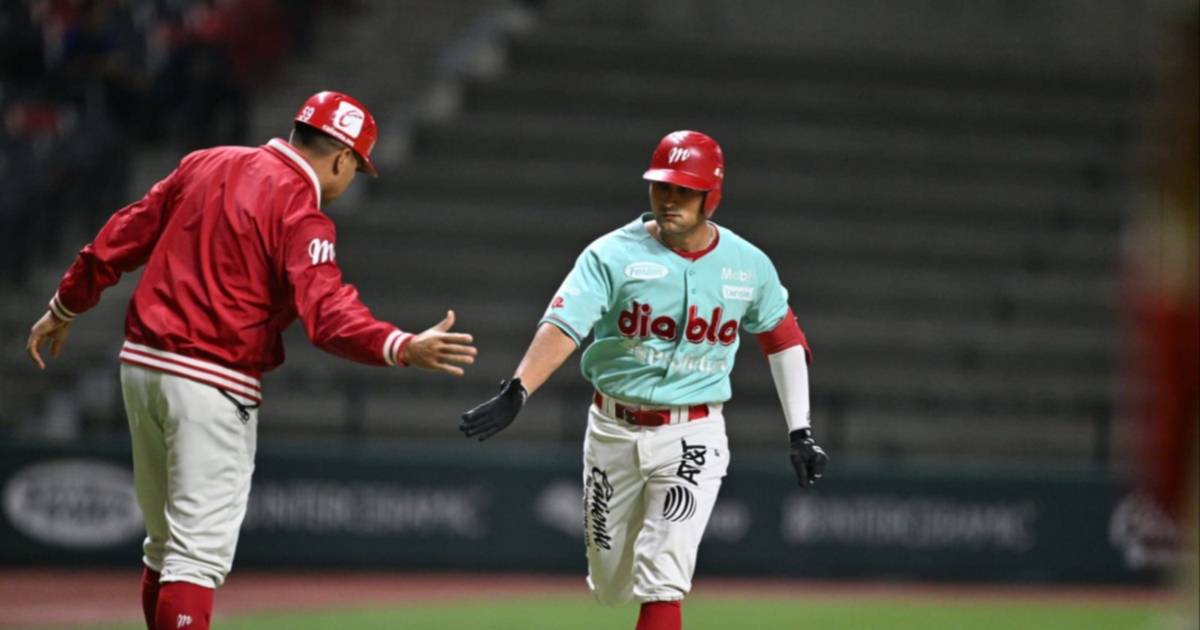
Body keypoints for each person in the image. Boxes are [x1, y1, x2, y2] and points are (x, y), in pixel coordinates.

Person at [25, 91, 477, 630]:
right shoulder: (302, 213)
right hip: (212, 379)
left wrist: (66, 303)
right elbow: (328, 317)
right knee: (194, 557)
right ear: (341, 158)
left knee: (165, 547)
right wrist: (400, 345)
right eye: (356, 166)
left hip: (141, 365)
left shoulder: (206, 162)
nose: (351, 177)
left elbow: (123, 234)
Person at [460, 130, 827, 630]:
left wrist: (800, 431)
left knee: (663, 577)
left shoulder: (748, 265)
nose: (670, 198)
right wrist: (519, 388)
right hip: (613, 429)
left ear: (710, 196)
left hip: (693, 432)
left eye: (685, 189)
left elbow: (782, 340)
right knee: (610, 583)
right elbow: (564, 325)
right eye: (662, 187)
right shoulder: (610, 255)